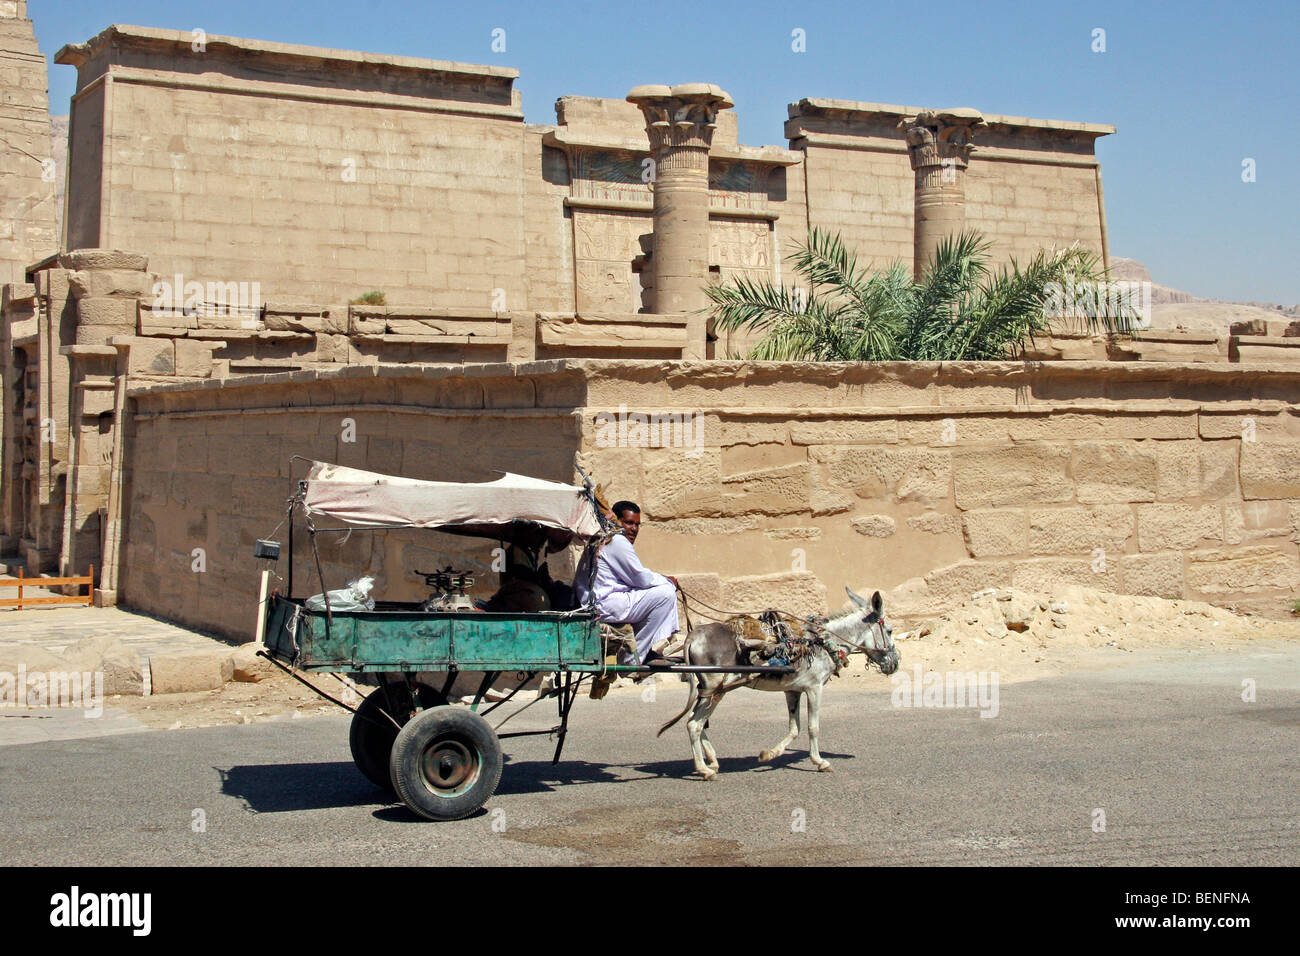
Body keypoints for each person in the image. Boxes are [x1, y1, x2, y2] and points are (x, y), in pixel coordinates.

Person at [574, 500, 680, 665]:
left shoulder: (604, 538)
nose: (634, 529)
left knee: (657, 593)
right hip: (604, 604)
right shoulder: (617, 541)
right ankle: (632, 658)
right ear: (617, 521)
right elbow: (641, 578)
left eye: (637, 525)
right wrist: (668, 581)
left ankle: (638, 650)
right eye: (629, 523)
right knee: (665, 593)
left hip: (598, 602)